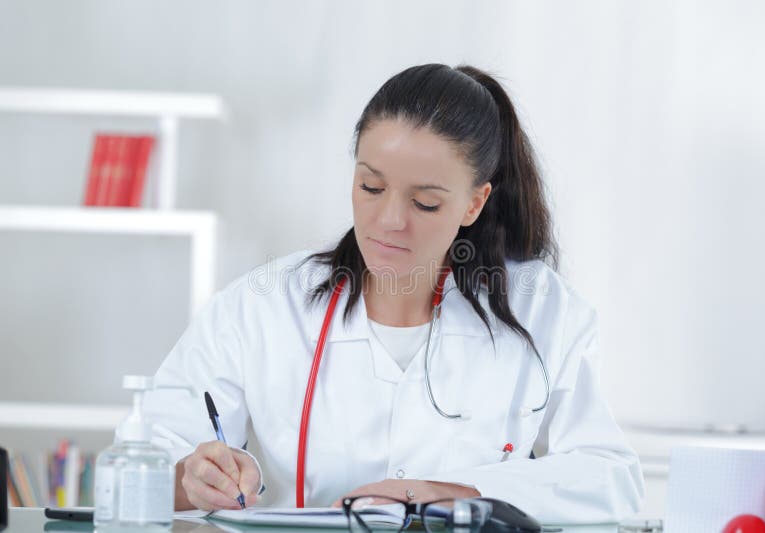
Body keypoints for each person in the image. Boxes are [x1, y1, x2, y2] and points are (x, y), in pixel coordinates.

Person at [135, 63, 644, 524]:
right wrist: (194, 477)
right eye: (371, 188)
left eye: (425, 203)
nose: (389, 222)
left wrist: (446, 492)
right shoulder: (263, 306)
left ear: (474, 203)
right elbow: (141, 462)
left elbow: (610, 480)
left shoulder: (540, 307)